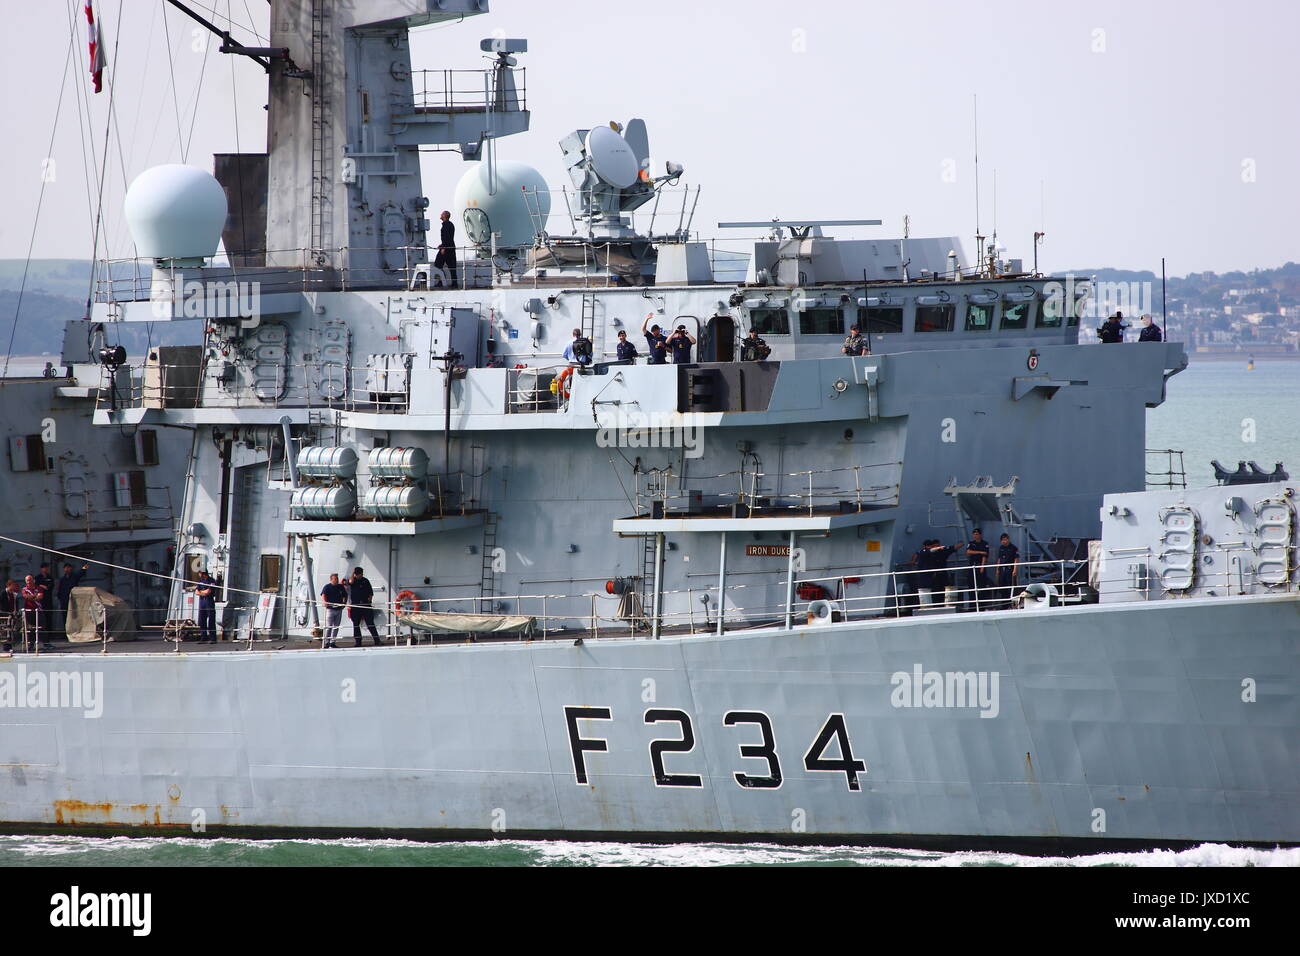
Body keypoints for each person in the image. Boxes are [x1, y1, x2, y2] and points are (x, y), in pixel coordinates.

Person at [347, 567, 384, 647]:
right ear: (356, 574)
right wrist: (353, 572)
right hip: (355, 606)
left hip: (365, 605)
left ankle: (377, 640)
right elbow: (350, 581)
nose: (362, 575)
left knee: (370, 623)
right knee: (356, 624)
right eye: (360, 573)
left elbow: (370, 592)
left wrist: (369, 601)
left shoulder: (365, 581)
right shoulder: (353, 580)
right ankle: (358, 642)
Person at [55, 562, 88, 635]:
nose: (67, 569)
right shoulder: (62, 579)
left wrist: (85, 567)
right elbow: (59, 590)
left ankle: (75, 631)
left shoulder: (74, 577)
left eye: (68, 567)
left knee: (74, 616)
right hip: (64, 600)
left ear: (71, 568)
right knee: (65, 616)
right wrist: (59, 598)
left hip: (73, 600)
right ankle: (66, 632)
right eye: (66, 568)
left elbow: (81, 573)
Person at [963, 529, 991, 610]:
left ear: (980, 535)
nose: (976, 535)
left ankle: (982, 606)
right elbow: (968, 552)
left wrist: (982, 567)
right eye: (974, 534)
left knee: (982, 586)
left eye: (977, 534)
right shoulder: (971, 543)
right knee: (971, 587)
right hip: (972, 566)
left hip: (980, 566)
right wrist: (979, 552)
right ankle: (972, 606)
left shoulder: (985, 544)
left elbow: (985, 555)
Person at [21, 574, 50, 651]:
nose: (29, 581)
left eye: (30, 580)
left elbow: (40, 596)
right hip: (29, 611)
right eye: (27, 580)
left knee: (42, 626)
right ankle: (31, 644)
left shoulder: (39, 588)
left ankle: (46, 643)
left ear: (33, 580)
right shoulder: (24, 589)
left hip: (39, 610)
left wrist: (32, 597)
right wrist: (35, 596)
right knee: (30, 629)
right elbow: (26, 597)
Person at [320, 573, 348, 649]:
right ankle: (326, 642)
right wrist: (325, 603)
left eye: (337, 579)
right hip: (330, 609)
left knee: (336, 626)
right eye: (335, 579)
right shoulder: (327, 587)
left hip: (339, 609)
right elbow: (323, 595)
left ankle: (332, 642)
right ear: (331, 579)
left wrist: (344, 604)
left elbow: (345, 595)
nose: (337, 580)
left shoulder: (340, 587)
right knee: (329, 626)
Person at [434, 210, 458, 289]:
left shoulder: (446, 225)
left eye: (442, 214)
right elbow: (449, 238)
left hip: (446, 249)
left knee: (437, 264)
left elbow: (447, 237)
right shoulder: (449, 224)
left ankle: (441, 281)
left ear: (444, 216)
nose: (440, 215)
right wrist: (442, 245)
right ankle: (454, 284)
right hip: (450, 247)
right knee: (452, 267)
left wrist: (443, 247)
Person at [994, 533, 1020, 604]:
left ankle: (1011, 604)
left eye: (1005, 539)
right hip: (1002, 570)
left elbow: (1016, 559)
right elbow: (999, 559)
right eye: (1003, 540)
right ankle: (1004, 604)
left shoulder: (1013, 548)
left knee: (1010, 586)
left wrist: (1015, 569)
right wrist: (997, 569)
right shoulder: (1001, 548)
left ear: (1008, 539)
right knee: (1002, 586)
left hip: (1010, 569)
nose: (1004, 541)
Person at [195, 570, 218, 644]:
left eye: (200, 573)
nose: (199, 574)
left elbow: (208, 591)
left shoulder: (212, 581)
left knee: (211, 620)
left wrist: (201, 592)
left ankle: (212, 638)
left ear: (203, 573)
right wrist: (203, 593)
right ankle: (203, 637)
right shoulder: (200, 581)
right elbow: (196, 592)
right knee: (202, 620)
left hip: (209, 601)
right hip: (202, 602)